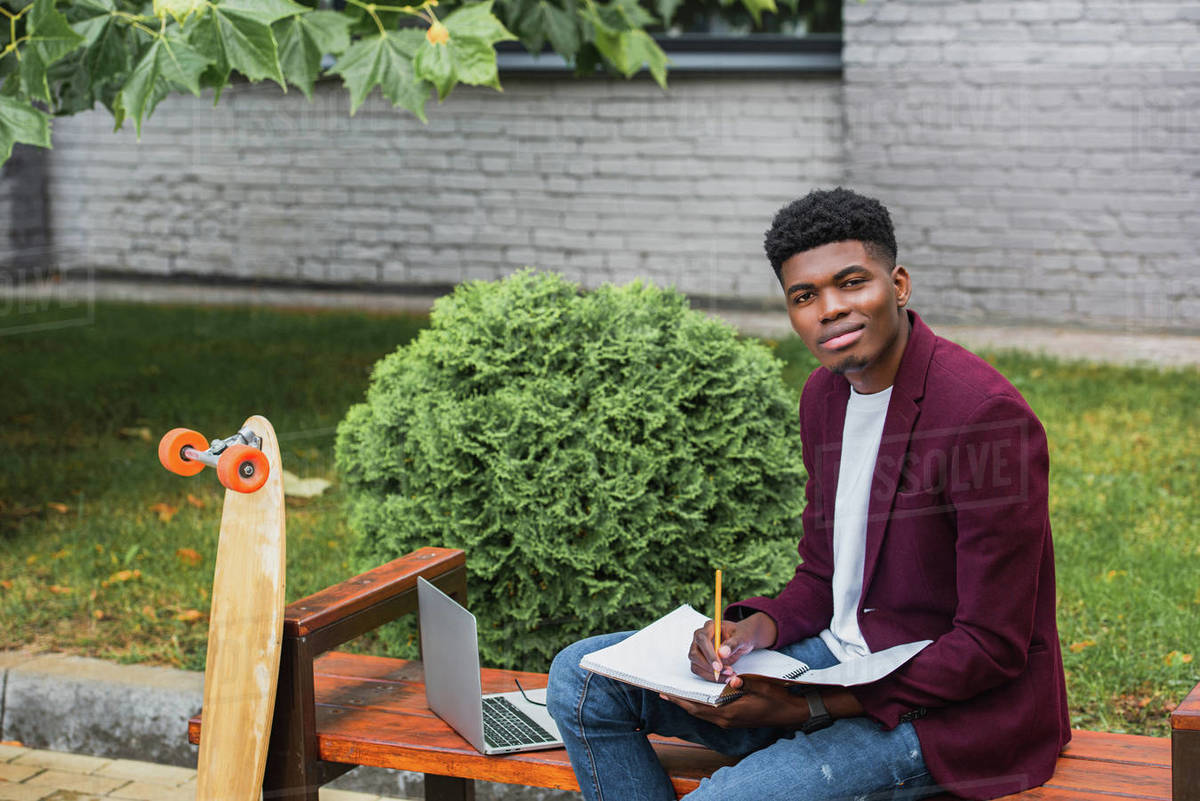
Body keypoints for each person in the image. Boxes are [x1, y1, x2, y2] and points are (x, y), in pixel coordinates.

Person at [546, 187, 1070, 801]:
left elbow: (990, 648)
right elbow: (825, 574)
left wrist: (805, 708)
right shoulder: (825, 398)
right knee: (580, 679)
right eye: (805, 295)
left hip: (951, 709)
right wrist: (750, 632)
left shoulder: (984, 417)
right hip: (832, 662)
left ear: (898, 284)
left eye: (852, 283)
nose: (830, 309)